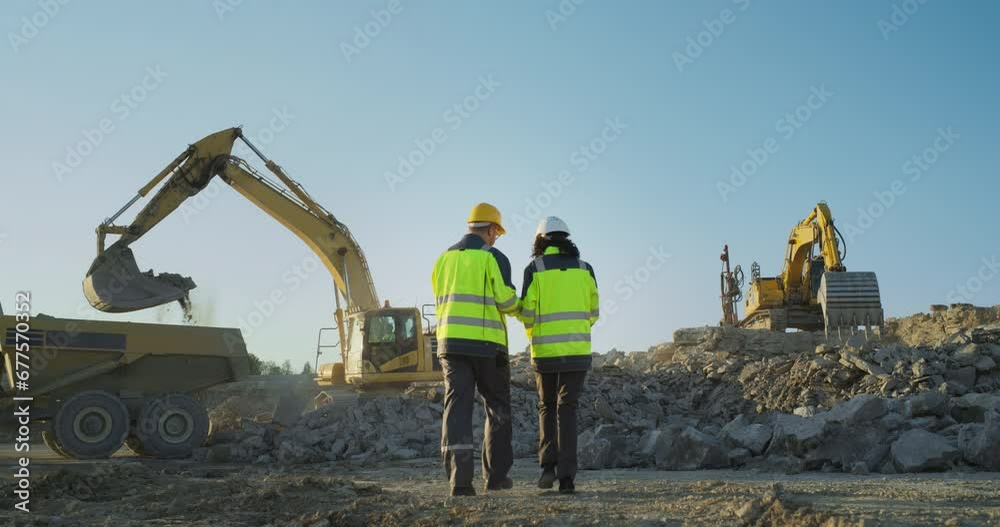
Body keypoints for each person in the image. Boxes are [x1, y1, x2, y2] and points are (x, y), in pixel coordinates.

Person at [431, 202, 521, 496]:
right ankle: (496, 477)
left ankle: (459, 481)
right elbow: (506, 301)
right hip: (487, 345)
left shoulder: (443, 259)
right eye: (497, 233)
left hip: (449, 345)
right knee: (497, 407)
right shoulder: (493, 257)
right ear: (491, 229)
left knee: (456, 408)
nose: (496, 239)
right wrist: (525, 308)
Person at [519, 216, 599, 494]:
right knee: (568, 410)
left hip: (545, 353)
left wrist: (534, 334)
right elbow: (593, 313)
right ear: (567, 239)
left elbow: (527, 312)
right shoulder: (585, 269)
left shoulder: (535, 268)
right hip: (577, 353)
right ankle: (567, 479)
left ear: (540, 241)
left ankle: (547, 469)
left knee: (547, 407)